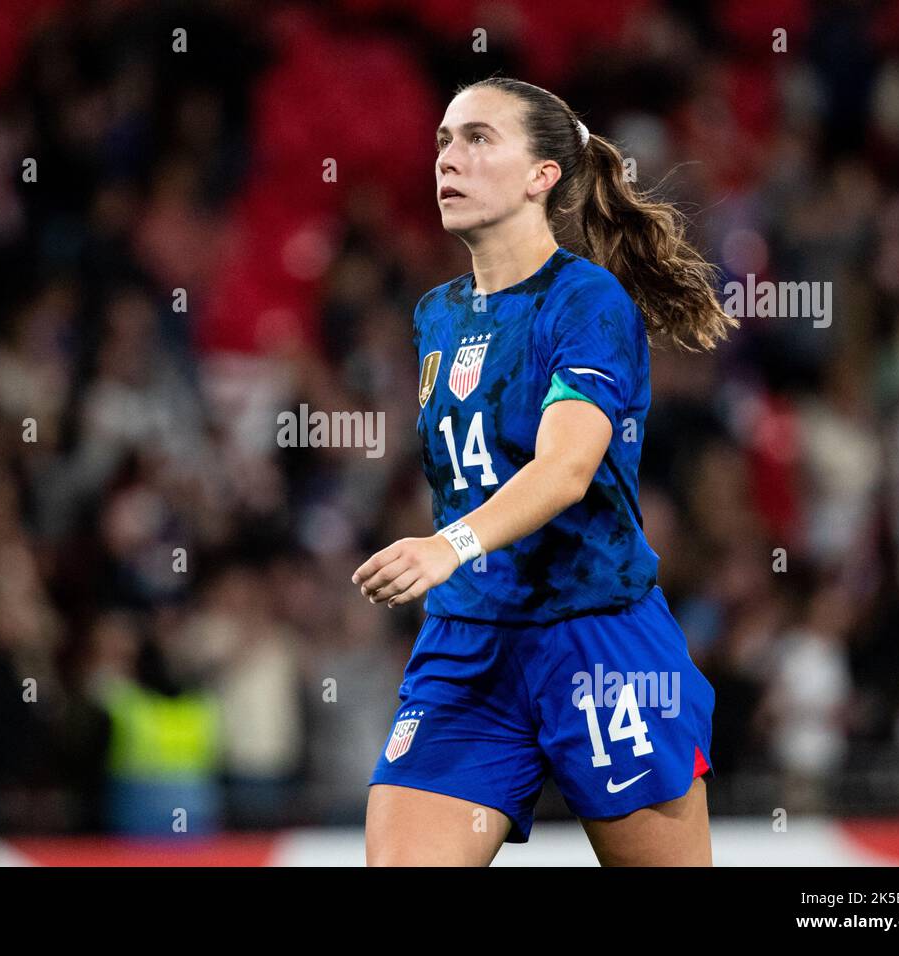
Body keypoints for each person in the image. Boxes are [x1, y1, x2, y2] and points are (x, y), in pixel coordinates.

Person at [354, 77, 735, 866]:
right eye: (442, 142)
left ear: (543, 177)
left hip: (597, 638)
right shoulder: (436, 314)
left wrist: (446, 546)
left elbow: (565, 469)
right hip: (469, 645)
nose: (447, 159)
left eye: (478, 139)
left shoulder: (585, 302)